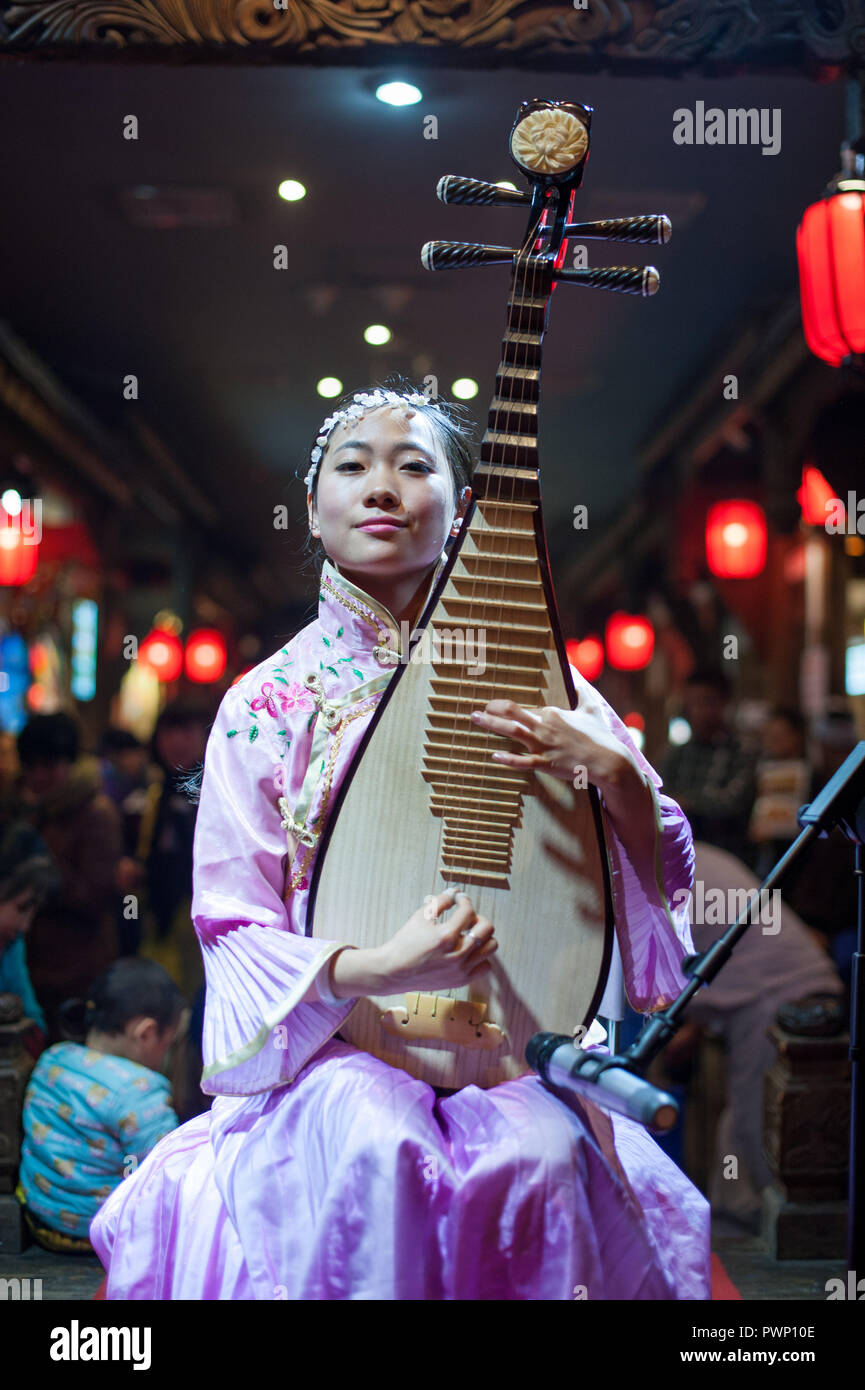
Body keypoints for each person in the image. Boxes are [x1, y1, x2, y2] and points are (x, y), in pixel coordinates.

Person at [90, 381, 711, 1300]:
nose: (382, 486)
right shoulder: (266, 702)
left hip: (510, 1043)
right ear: (313, 510)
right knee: (378, 1147)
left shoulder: (542, 677)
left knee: (541, 1156)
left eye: (414, 466)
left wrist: (616, 775)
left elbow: (656, 870)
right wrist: (374, 967)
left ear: (460, 515)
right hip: (336, 1050)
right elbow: (229, 919)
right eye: (353, 466)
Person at [16, 958, 184, 1254]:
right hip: (103, 1235)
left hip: (40, 1221)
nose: (167, 1053)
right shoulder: (141, 1092)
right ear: (146, 1033)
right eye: (168, 1043)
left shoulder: (52, 1059)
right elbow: (167, 1174)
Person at [16, 713, 123, 1041]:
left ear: (70, 763)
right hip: (36, 971)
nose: (38, 776)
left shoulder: (96, 813)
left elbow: (96, 896)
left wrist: (40, 867)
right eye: (30, 766)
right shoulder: (36, 810)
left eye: (48, 765)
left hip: (77, 974)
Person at [660, 668, 757, 865]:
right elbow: (661, 800)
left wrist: (687, 802)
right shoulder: (675, 754)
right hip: (681, 856)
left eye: (707, 702)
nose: (698, 711)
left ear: (725, 703)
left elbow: (733, 803)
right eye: (692, 703)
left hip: (730, 857)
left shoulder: (742, 751)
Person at [0, 822, 60, 1058]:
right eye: (21, 908)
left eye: (33, 912)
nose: (25, 926)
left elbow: (33, 1018)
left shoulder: (11, 945)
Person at [747, 707, 812, 880]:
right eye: (769, 735)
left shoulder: (813, 776)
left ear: (797, 736)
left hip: (801, 860)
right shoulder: (757, 773)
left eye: (781, 735)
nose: (774, 741)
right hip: (764, 857)